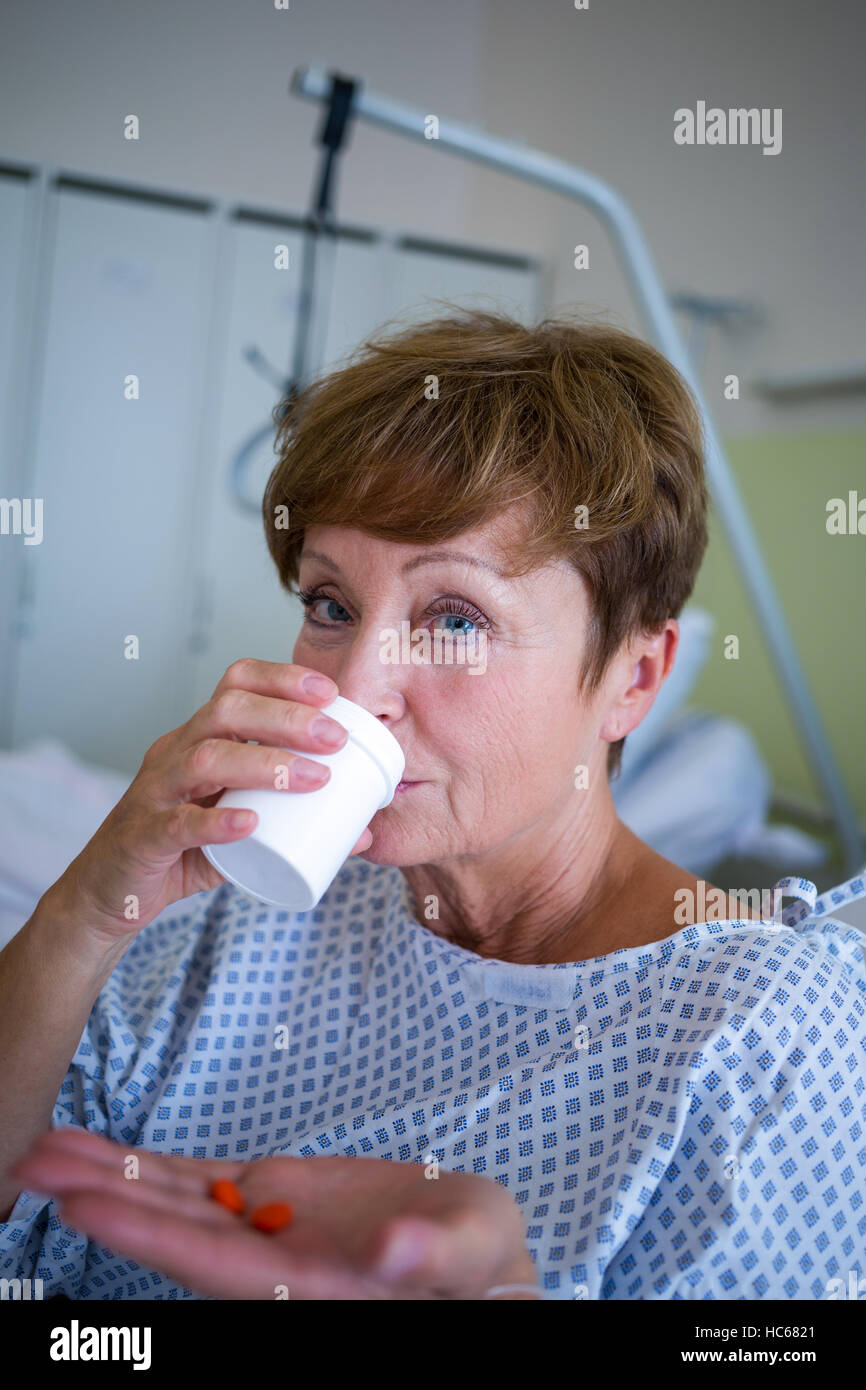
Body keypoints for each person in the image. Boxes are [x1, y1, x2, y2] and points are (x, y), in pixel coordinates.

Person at [2, 308, 863, 1301]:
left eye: (453, 617)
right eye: (330, 604)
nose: (355, 684)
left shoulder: (767, 1042)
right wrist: (83, 909)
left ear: (633, 677)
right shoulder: (239, 913)